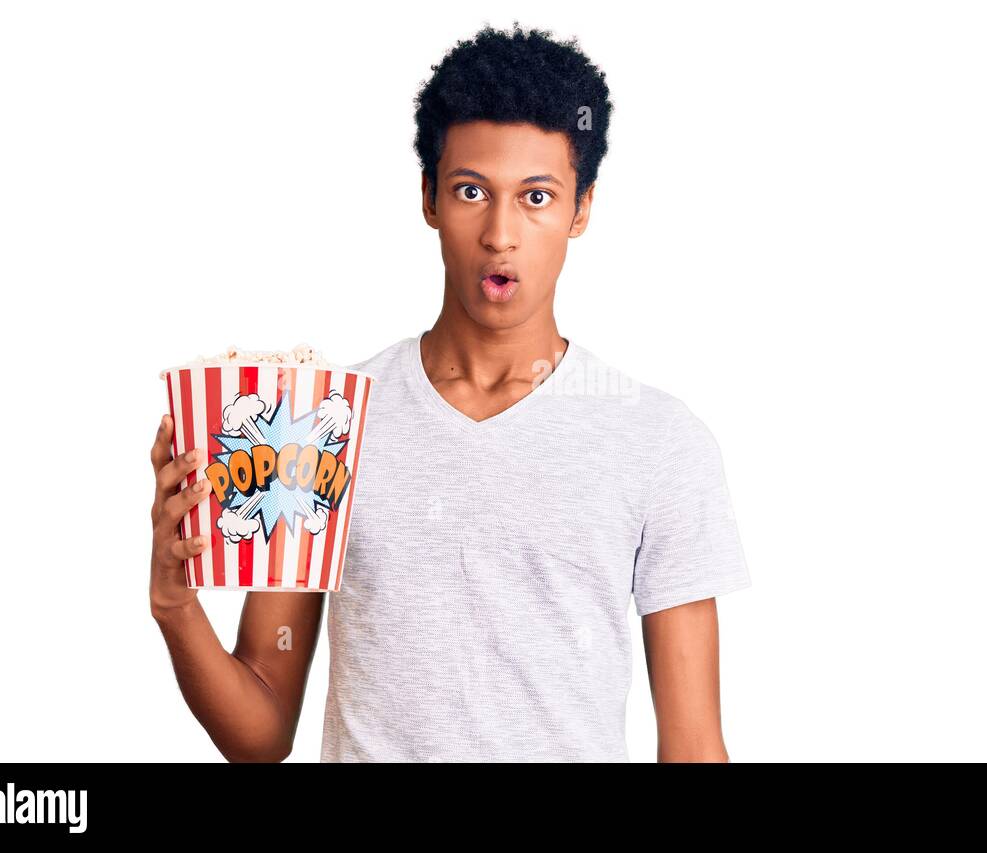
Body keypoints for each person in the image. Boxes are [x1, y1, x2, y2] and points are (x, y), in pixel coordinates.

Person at [149, 23, 751, 762]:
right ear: (430, 197)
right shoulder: (323, 422)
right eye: (472, 191)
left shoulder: (659, 441)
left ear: (581, 209)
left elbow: (693, 745)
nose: (501, 232)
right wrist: (176, 608)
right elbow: (262, 729)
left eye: (537, 196)